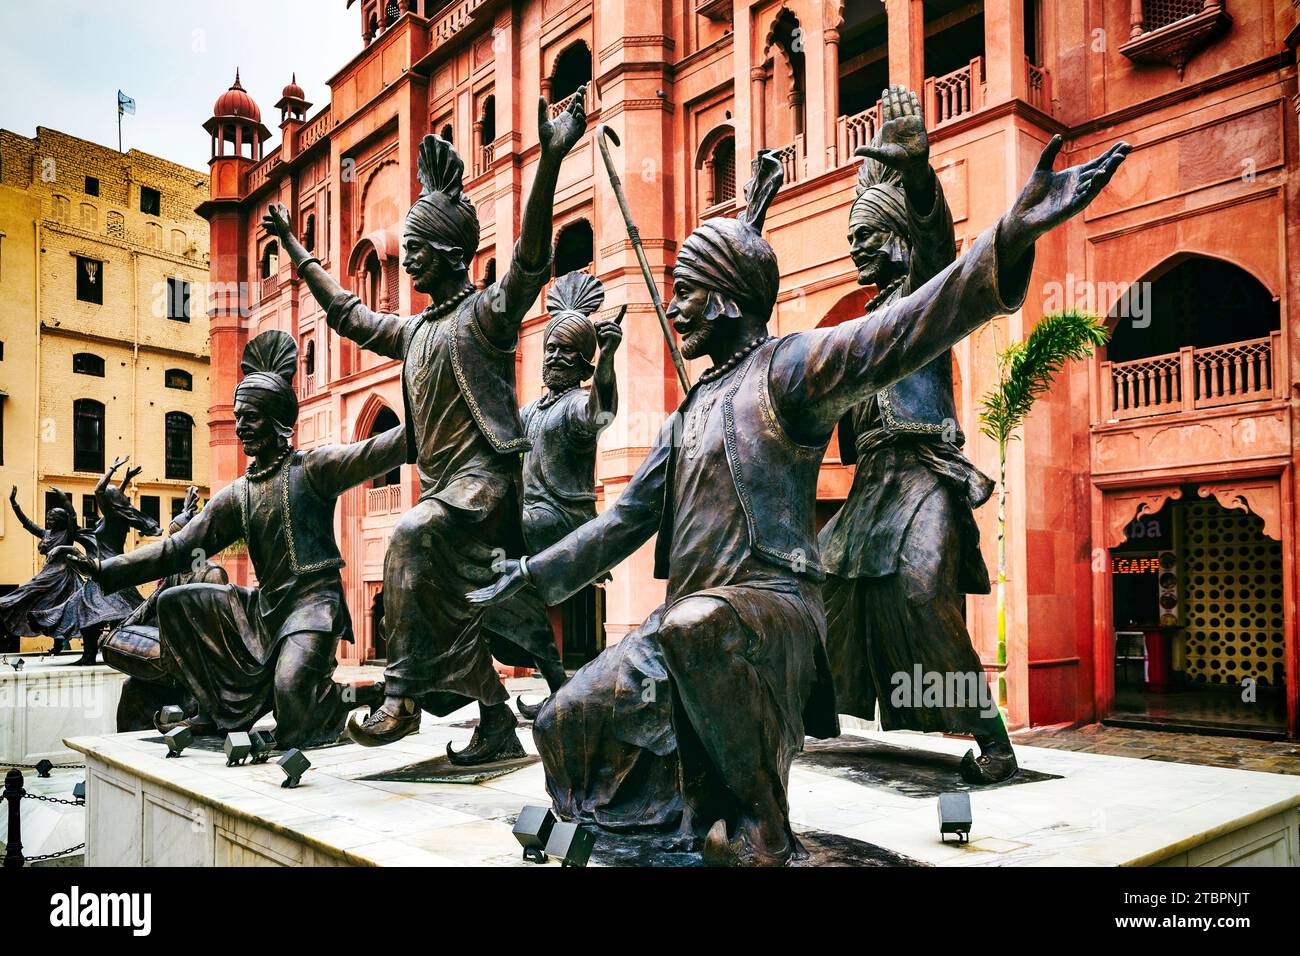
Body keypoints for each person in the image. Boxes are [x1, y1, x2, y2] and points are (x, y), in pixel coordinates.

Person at [471, 133, 1131, 865]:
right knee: (564, 716)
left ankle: (766, 827)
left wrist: (1006, 237)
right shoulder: (688, 414)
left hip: (771, 610)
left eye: (685, 292)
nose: (674, 308)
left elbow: (902, 330)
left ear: (724, 298)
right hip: (694, 623)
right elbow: (622, 522)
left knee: (695, 627)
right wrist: (530, 580)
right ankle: (665, 829)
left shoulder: (790, 369)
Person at [260, 89, 589, 762]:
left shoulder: (487, 315)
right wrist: (296, 246)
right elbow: (348, 315)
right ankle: (496, 723)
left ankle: (401, 700)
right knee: (451, 607)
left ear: (444, 250)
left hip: (487, 490)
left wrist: (552, 159)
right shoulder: (414, 332)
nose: (403, 259)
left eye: (414, 248)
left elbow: (529, 263)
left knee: (407, 538)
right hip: (447, 493)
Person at [55, 331, 404, 748]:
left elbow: (381, 450)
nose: (240, 427)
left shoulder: (313, 468)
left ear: (276, 419)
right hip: (265, 607)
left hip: (313, 605)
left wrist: (436, 403)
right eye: (237, 417)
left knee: (292, 700)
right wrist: (103, 568)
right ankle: (213, 709)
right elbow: (177, 549)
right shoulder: (237, 495)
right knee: (175, 601)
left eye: (250, 417)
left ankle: (364, 694)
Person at [817, 86, 1014, 783]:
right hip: (872, 483)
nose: (858, 254)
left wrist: (921, 176)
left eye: (867, 240)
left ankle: (992, 739)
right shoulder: (858, 329)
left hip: (925, 472)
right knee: (815, 583)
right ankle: (812, 715)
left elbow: (941, 249)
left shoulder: (926, 301)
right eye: (851, 245)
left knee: (921, 590)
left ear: (899, 237)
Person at [481, 271, 623, 719]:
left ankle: (554, 676)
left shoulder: (578, 405)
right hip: (530, 520)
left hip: (564, 521)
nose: (556, 357)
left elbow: (604, 411)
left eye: (568, 352)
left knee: (495, 551)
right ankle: (556, 679)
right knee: (488, 563)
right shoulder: (529, 411)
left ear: (583, 363)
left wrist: (608, 360)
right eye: (551, 349)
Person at [99, 486, 228, 731]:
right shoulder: (176, 573)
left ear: (193, 541)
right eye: (171, 541)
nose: (171, 546)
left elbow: (216, 633)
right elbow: (149, 604)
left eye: (177, 540)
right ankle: (130, 752)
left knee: (193, 702)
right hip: (171, 659)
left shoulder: (212, 575)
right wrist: (120, 628)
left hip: (198, 669)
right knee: (132, 689)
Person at [35, 457, 163, 665]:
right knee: (96, 612)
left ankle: (108, 654)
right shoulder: (113, 519)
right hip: (107, 570)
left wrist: (112, 470)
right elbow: (113, 497)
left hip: (109, 570)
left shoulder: (114, 519)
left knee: (103, 612)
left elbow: (99, 491)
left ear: (110, 504)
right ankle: (94, 654)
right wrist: (126, 480)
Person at [1, 487, 88, 654]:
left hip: (61, 576)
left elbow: (73, 516)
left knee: (47, 601)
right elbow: (27, 524)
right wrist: (14, 504)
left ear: (61, 521)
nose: (49, 521)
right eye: (48, 518)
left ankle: (5, 602)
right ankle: (8, 605)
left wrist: (63, 496)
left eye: (53, 519)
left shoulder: (67, 533)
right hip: (48, 574)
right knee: (50, 607)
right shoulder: (46, 534)